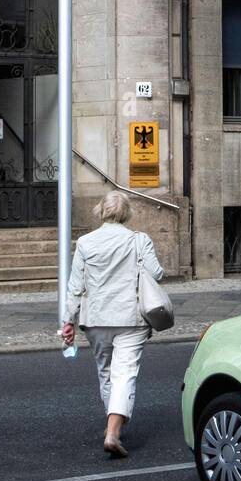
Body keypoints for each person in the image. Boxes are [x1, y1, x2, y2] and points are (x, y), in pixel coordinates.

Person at [61, 192, 164, 458]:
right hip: (130, 318)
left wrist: (68, 320)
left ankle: (114, 424)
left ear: (101, 211)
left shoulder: (85, 243)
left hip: (96, 319)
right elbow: (157, 273)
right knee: (125, 373)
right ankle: (113, 432)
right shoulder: (139, 240)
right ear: (127, 214)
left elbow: (75, 285)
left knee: (106, 372)